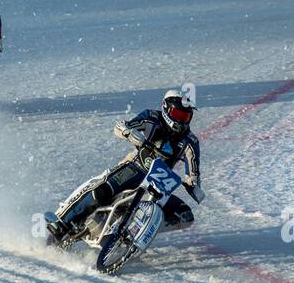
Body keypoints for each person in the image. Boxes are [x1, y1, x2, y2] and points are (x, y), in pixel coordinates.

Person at [46, 89, 204, 246]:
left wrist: (194, 186)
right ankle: (63, 223)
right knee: (102, 190)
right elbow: (120, 127)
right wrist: (129, 132)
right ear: (165, 108)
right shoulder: (151, 117)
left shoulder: (190, 142)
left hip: (159, 183)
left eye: (186, 116)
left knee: (185, 215)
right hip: (135, 167)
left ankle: (136, 232)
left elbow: (193, 170)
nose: (182, 120)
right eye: (178, 115)